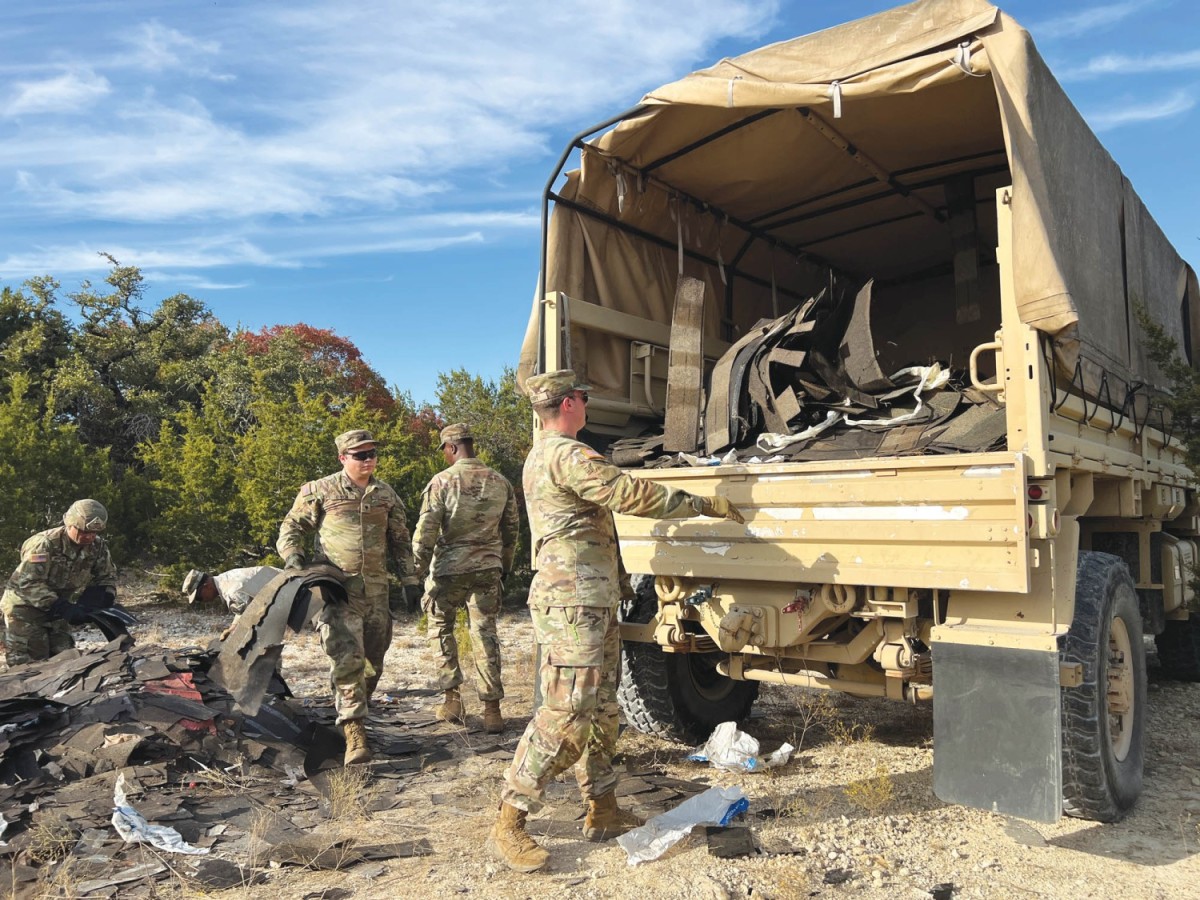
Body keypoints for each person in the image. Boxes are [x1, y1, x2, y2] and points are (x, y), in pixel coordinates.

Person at [489, 370, 745, 873]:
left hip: (592, 598)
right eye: (582, 397)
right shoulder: (566, 454)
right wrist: (698, 504)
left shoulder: (548, 453)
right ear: (567, 404)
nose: (586, 404)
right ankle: (510, 819)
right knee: (565, 712)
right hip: (572, 603)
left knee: (604, 708)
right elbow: (629, 494)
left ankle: (602, 808)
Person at [276, 429, 421, 765]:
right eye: (360, 455)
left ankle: (354, 712)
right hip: (337, 592)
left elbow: (400, 540)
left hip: (376, 593)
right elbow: (292, 527)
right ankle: (354, 732)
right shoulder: (321, 490)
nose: (368, 460)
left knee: (373, 662)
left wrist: (409, 579)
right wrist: (293, 555)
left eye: (371, 453)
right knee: (347, 660)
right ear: (343, 458)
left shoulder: (385, 494)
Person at [412, 423, 519, 733]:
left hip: (449, 570)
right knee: (485, 633)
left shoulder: (442, 482)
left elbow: (426, 530)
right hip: (488, 569)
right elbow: (511, 530)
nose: (445, 456)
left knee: (440, 626)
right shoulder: (500, 482)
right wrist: (506, 566)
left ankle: (452, 699)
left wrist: (414, 571)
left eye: (445, 450)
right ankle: (492, 711)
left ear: (453, 447)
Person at [2, 499, 118, 667]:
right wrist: (62, 607)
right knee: (31, 665)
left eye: (93, 533)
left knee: (65, 660)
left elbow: (105, 577)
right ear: (69, 524)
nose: (89, 537)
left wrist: (97, 600)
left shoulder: (97, 546)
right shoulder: (44, 545)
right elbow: (29, 584)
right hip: (25, 609)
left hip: (58, 610)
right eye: (84, 532)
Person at [183, 565, 282, 639]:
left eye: (199, 597)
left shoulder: (231, 591)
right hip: (287, 586)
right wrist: (232, 628)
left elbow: (249, 618)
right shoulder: (225, 579)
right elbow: (243, 610)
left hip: (291, 592)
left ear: (206, 586)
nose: (202, 600)